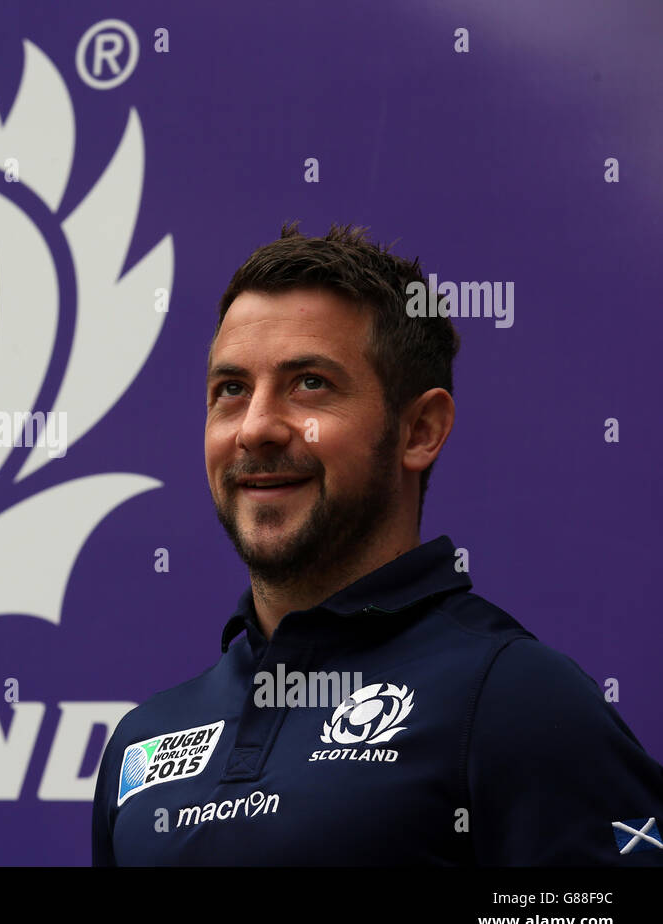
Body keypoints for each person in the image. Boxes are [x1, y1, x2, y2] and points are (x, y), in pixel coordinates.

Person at [91, 222, 663, 865]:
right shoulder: (143, 741)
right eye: (231, 390)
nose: (254, 428)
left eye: (309, 383)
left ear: (419, 430)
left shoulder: (515, 700)